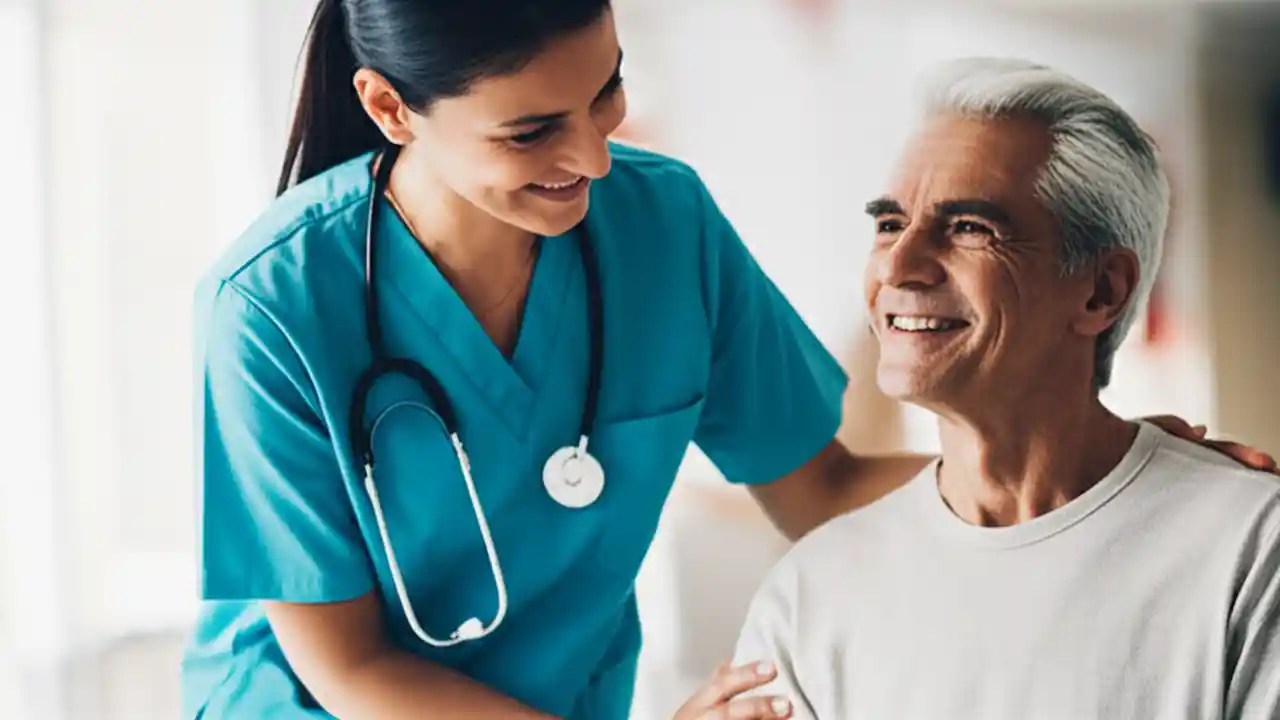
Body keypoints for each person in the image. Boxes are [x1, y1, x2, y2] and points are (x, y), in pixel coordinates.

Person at [180, 0, 1273, 715]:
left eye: (606, 91)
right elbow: (346, 665)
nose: (593, 155)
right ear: (388, 108)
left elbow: (825, 485)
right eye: (530, 132)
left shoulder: (661, 225)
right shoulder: (271, 304)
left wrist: (1102, 470)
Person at [732, 57, 1280, 719]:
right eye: (888, 224)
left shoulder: (1251, 546)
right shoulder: (809, 594)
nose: (899, 265)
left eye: (969, 228)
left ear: (1101, 291)